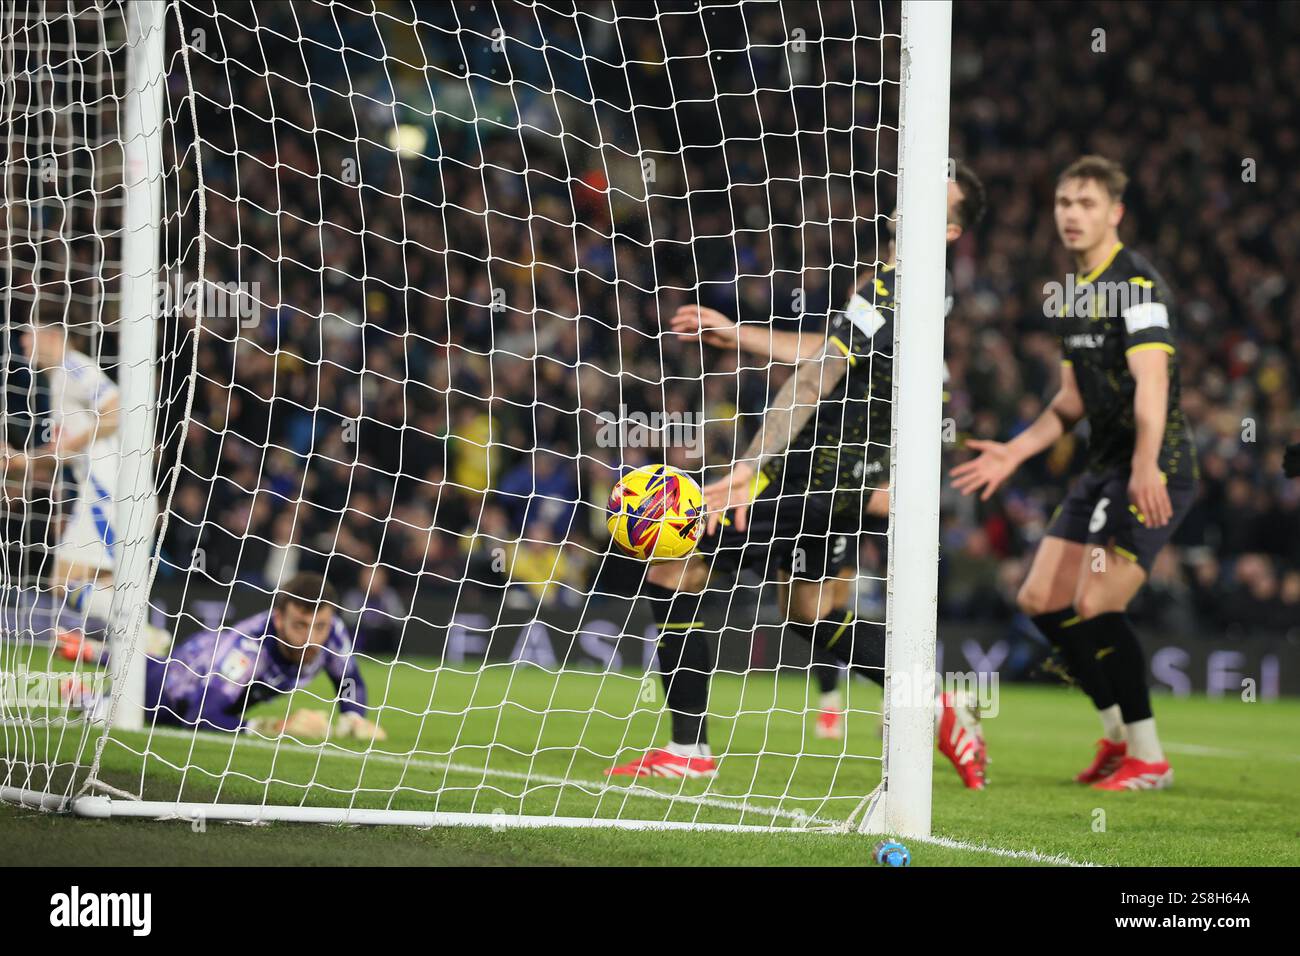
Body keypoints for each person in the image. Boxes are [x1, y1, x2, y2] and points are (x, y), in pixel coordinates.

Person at [605, 162, 990, 788]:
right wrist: (741, 336)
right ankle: (936, 704)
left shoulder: (892, 289)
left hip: (811, 474)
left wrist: (749, 468)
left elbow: (817, 379)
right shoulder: (902, 287)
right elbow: (830, 352)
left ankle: (688, 750)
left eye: (934, 199)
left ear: (948, 230)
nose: (911, 199)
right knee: (811, 612)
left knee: (674, 557)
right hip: (846, 480)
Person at [952, 155, 1195, 791]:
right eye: (1063, 203)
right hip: (1106, 466)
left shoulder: (1136, 286)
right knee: (1038, 599)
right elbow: (1069, 402)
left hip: (1155, 465)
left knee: (1095, 602)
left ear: (1115, 212)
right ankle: (1117, 734)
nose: (1071, 215)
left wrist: (1146, 467)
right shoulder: (1071, 293)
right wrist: (1013, 451)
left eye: (1086, 203)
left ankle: (1151, 758)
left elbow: (1153, 384)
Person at [72, 572, 385, 741]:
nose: (310, 639)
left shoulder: (332, 631)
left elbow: (349, 676)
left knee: (154, 656)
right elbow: (200, 715)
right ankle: (85, 686)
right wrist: (274, 726)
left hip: (197, 667)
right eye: (300, 626)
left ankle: (115, 651)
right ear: (278, 620)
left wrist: (354, 717)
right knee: (98, 713)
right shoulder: (248, 650)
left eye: (320, 627)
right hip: (166, 695)